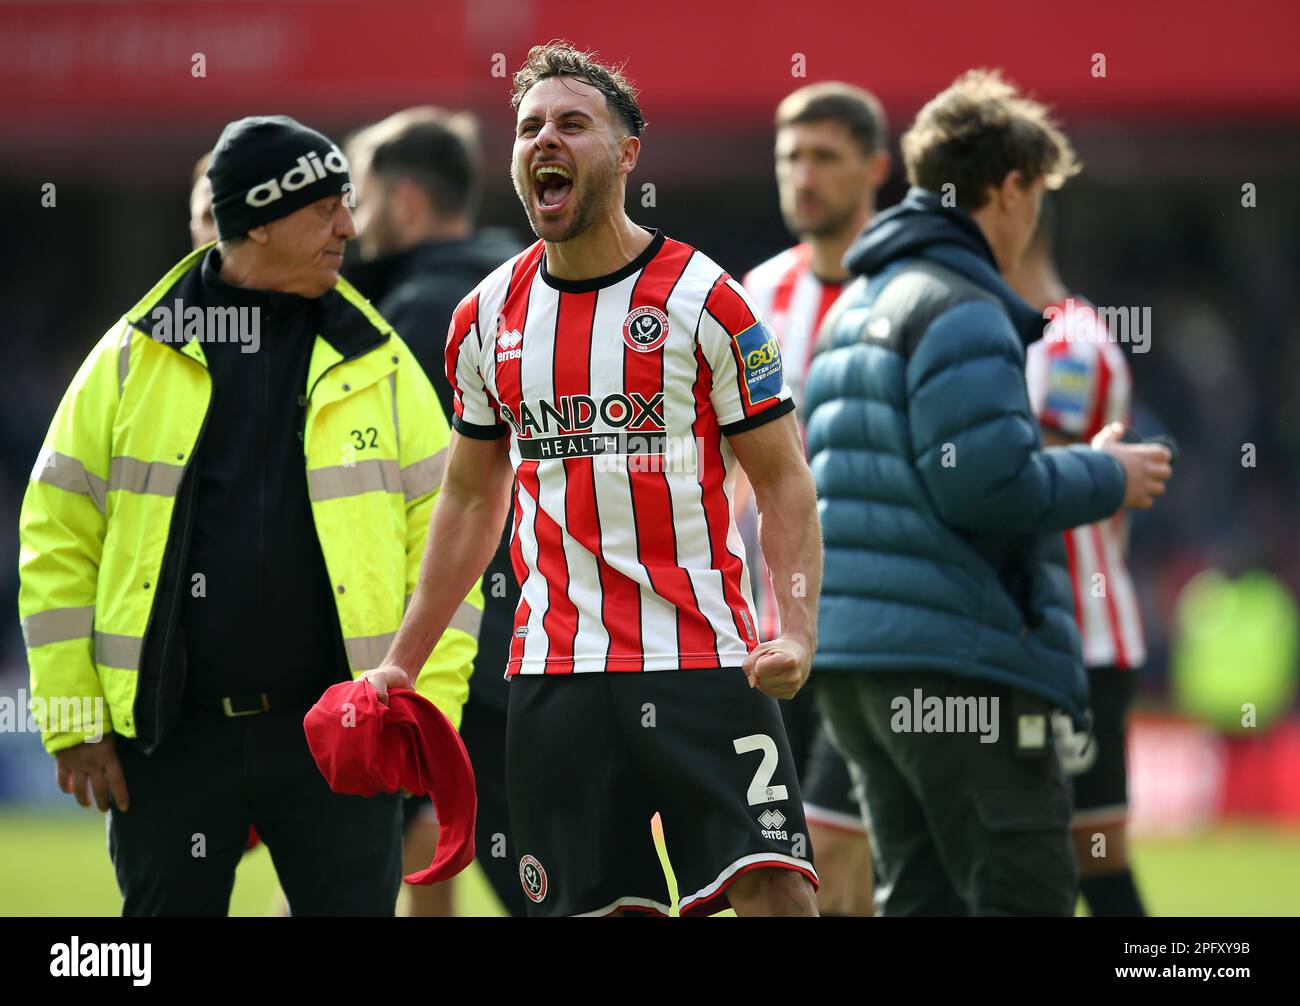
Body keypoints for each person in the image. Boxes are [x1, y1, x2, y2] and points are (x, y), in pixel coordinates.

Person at [364, 41, 824, 918]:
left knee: (776, 896)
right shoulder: (484, 318)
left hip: (704, 660)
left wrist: (794, 628)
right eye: (530, 126)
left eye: (574, 124)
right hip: (556, 675)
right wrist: (404, 661)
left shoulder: (706, 300)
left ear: (626, 154)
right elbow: (469, 495)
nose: (547, 139)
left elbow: (784, 480)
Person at [18, 114, 482, 916]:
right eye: (326, 207)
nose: (350, 224)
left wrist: (423, 713)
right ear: (258, 220)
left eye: (348, 201)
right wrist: (69, 717)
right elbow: (57, 536)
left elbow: (447, 549)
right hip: (168, 743)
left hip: (344, 741)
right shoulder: (131, 357)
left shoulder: (382, 359)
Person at [803, 70, 1173, 916]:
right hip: (955, 664)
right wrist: (1109, 472)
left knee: (921, 898)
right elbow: (986, 484)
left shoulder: (855, 300)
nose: (1034, 219)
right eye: (1035, 196)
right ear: (1009, 188)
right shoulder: (966, 305)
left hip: (858, 664)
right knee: (1027, 891)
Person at [345, 106, 524, 917]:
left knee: (389, 858)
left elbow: (394, 498)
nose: (349, 219)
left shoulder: (414, 318)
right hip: (547, 632)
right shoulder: (528, 295)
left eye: (361, 197)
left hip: (457, 643)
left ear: (407, 203)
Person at [740, 81, 890, 917]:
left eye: (824, 156)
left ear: (875, 167)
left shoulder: (907, 295)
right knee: (780, 867)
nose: (802, 175)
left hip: (871, 627)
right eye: (790, 157)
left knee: (835, 866)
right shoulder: (751, 299)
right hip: (769, 633)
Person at [1009, 200, 1149, 916]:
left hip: (1080, 641)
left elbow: (1038, 471)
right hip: (1038, 634)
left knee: (1090, 860)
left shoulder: (1069, 343)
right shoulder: (1023, 332)